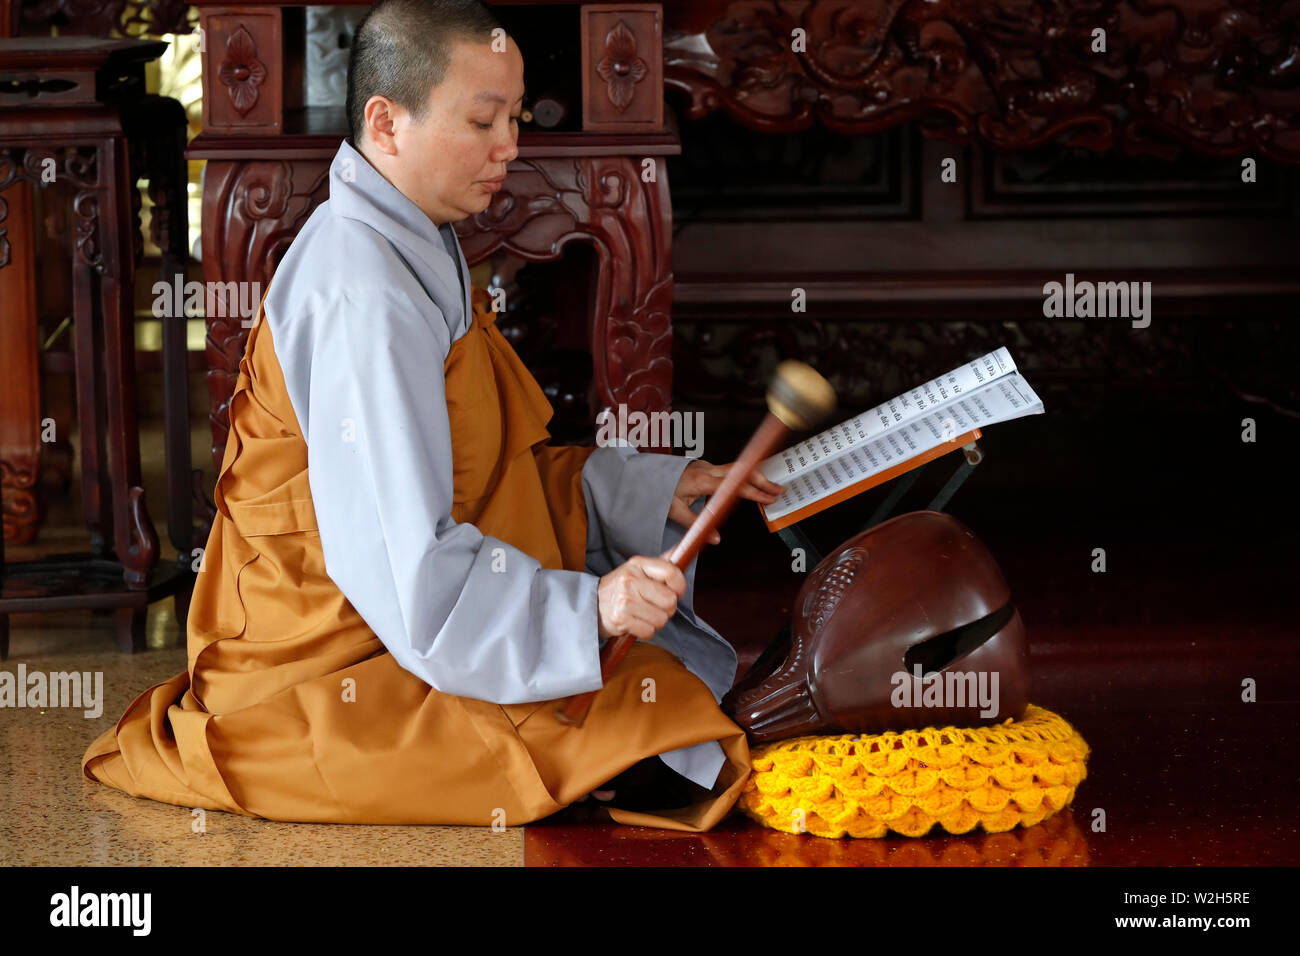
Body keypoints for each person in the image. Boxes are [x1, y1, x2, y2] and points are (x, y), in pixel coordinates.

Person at [81, 0, 784, 831]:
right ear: (386, 122)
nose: (510, 147)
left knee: (659, 704)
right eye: (483, 120)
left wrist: (657, 489)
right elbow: (403, 569)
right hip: (329, 664)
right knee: (652, 717)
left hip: (402, 622)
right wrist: (587, 610)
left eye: (515, 119)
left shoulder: (415, 240)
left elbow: (488, 474)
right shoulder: (363, 292)